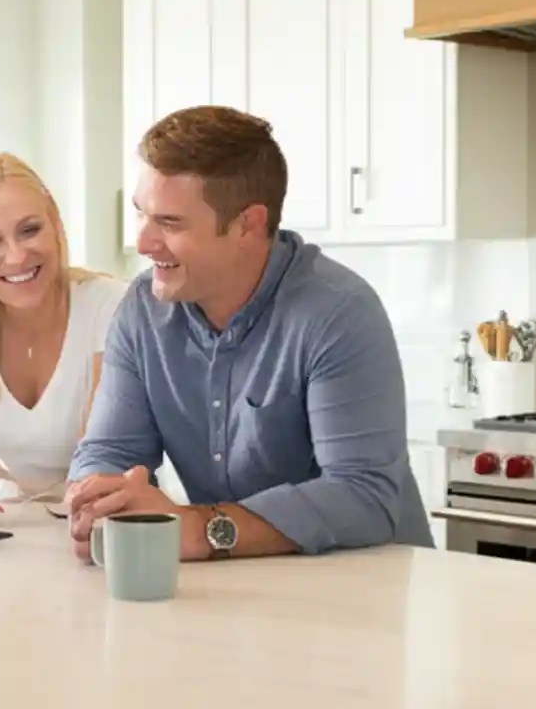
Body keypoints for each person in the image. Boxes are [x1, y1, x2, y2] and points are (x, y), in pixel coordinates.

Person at [65, 106, 434, 561]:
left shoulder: (338, 312)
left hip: (368, 584)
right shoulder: (142, 310)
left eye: (170, 222)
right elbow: (110, 449)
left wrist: (201, 530)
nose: (143, 242)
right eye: (142, 214)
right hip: (242, 592)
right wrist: (98, 501)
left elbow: (364, 499)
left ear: (248, 224)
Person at [0, 152, 128, 524]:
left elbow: (98, 464)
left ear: (56, 226)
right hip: (23, 530)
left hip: (104, 526)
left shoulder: (109, 307)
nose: (16, 256)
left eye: (30, 230)